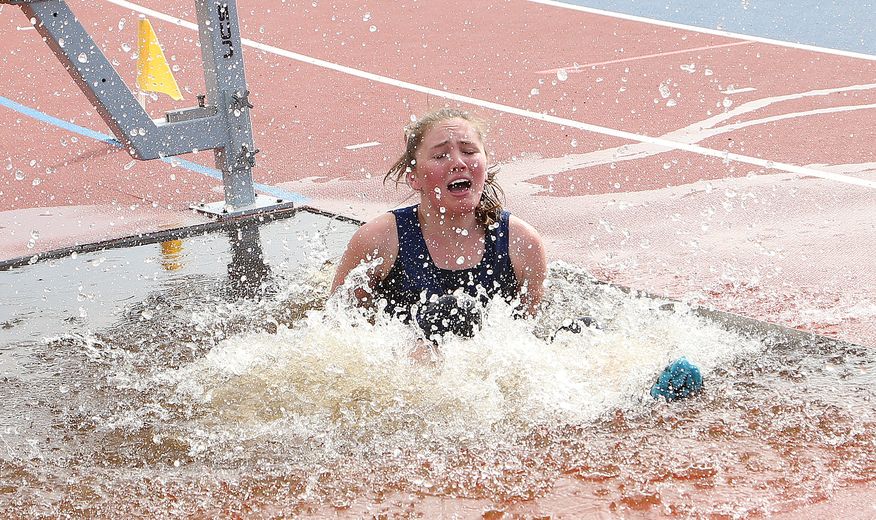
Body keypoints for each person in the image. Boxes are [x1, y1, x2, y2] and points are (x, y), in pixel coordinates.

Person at [330, 107, 547, 335]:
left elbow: (527, 341)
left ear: (485, 163)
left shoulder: (522, 244)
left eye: (469, 151)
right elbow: (337, 331)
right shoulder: (378, 240)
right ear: (414, 178)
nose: (459, 163)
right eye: (440, 155)